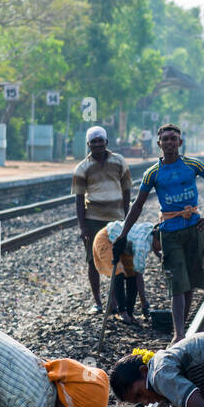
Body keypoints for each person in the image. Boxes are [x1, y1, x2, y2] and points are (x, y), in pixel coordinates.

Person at [114, 123, 204, 340]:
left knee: (190, 283)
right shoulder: (152, 173)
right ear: (159, 144)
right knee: (176, 283)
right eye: (165, 139)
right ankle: (179, 334)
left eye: (173, 138)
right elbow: (137, 205)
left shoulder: (193, 164)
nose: (169, 142)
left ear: (180, 142)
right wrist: (123, 234)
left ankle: (183, 328)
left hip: (194, 230)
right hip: (169, 233)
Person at [72, 126, 132, 314]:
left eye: (100, 141)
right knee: (93, 261)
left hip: (116, 220)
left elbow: (127, 190)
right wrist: (83, 227)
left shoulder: (119, 161)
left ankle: (115, 301)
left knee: (119, 260)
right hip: (93, 221)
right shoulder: (82, 168)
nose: (97, 144)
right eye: (93, 142)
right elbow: (79, 200)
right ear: (88, 144)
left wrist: (127, 218)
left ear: (106, 142)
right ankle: (98, 302)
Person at [93, 221, 158, 326]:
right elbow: (139, 275)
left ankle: (129, 312)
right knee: (119, 272)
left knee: (131, 274)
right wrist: (143, 301)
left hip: (123, 245)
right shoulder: (142, 246)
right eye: (160, 246)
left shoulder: (150, 230)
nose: (160, 249)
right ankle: (122, 311)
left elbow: (135, 275)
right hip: (106, 239)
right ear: (156, 239)